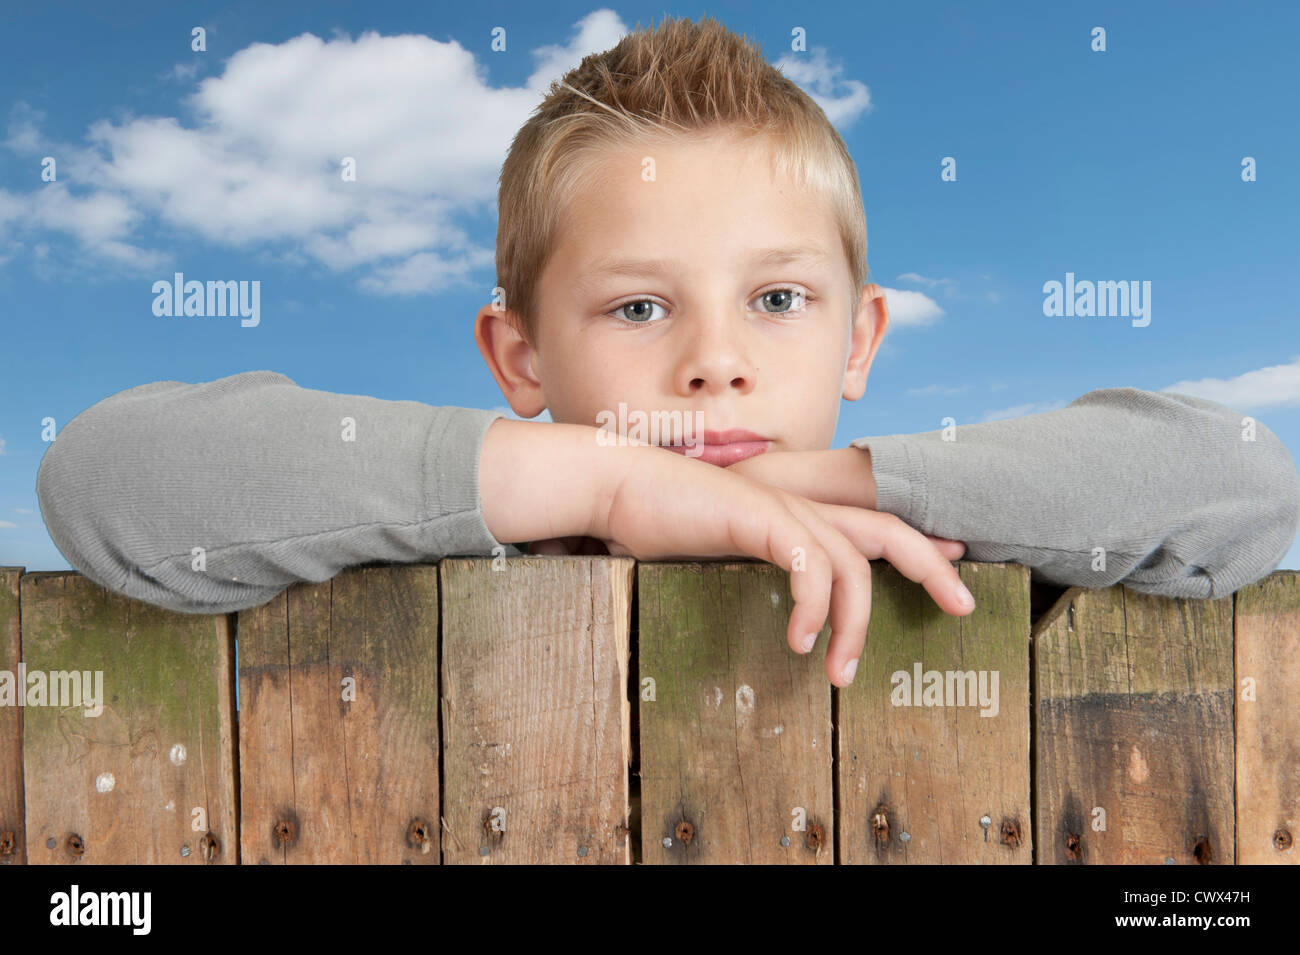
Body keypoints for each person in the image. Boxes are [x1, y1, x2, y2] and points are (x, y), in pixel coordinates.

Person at [35, 17, 1300, 688]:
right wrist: (605, 484)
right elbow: (106, 478)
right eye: (640, 309)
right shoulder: (460, 516)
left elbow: (1243, 476)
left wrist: (833, 483)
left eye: (779, 300)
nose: (713, 364)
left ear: (860, 339)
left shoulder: (940, 527)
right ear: (519, 358)